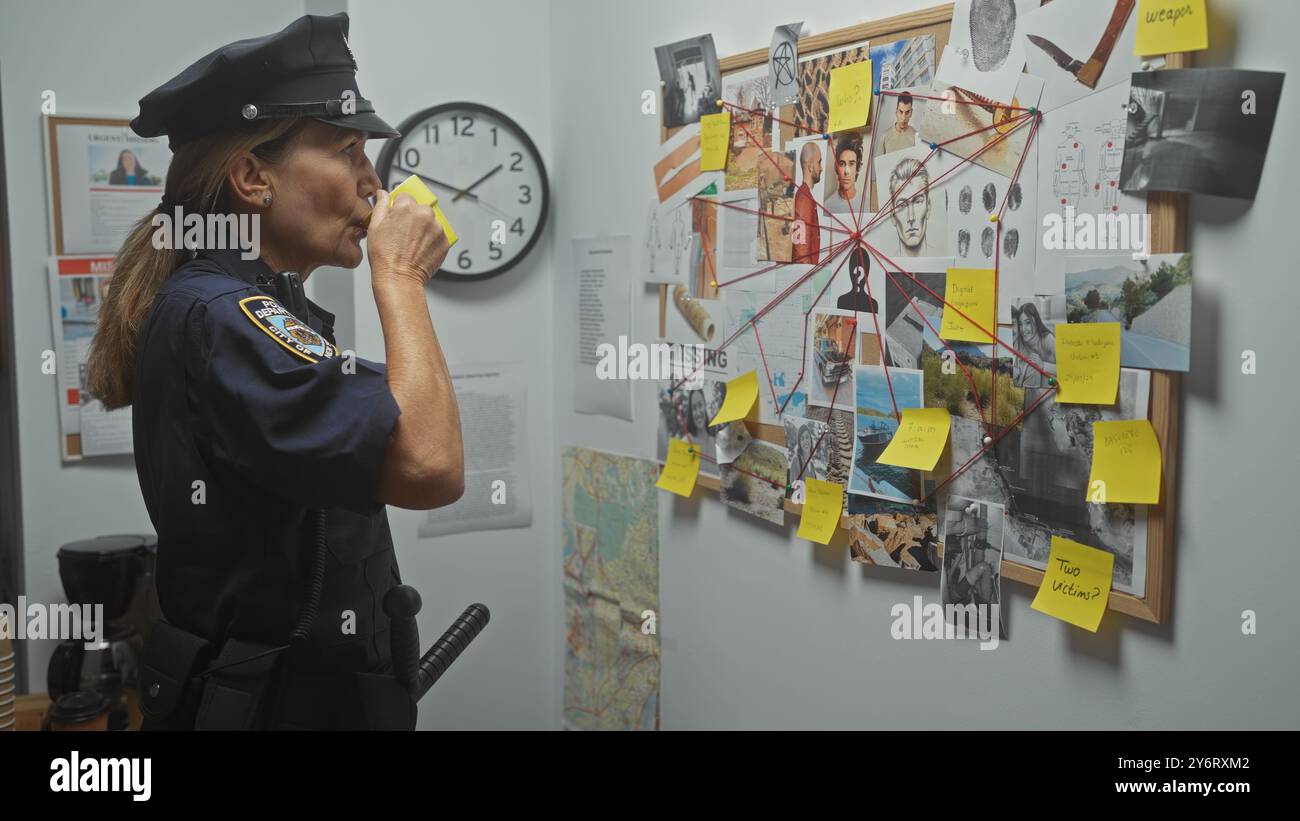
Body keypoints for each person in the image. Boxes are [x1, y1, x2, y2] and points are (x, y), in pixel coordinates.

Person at [86, 13, 464, 731]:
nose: (373, 186)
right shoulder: (226, 316)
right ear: (253, 176)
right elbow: (432, 466)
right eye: (348, 152)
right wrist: (401, 278)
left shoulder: (241, 305)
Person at [1011, 301, 1056, 388]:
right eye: (1020, 324)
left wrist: (1043, 365)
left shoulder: (1048, 339)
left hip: (1052, 386)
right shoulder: (1020, 341)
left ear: (1036, 321)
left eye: (1028, 322)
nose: (1023, 329)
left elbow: (1066, 369)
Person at [791, 141, 822, 262]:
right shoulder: (804, 198)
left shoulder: (805, 195)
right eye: (819, 162)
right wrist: (809, 278)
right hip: (806, 275)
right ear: (810, 165)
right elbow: (801, 250)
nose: (821, 168)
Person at [825, 135, 863, 215]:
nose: (846, 171)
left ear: (857, 168)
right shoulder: (826, 206)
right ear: (837, 167)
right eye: (842, 164)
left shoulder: (866, 205)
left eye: (851, 164)